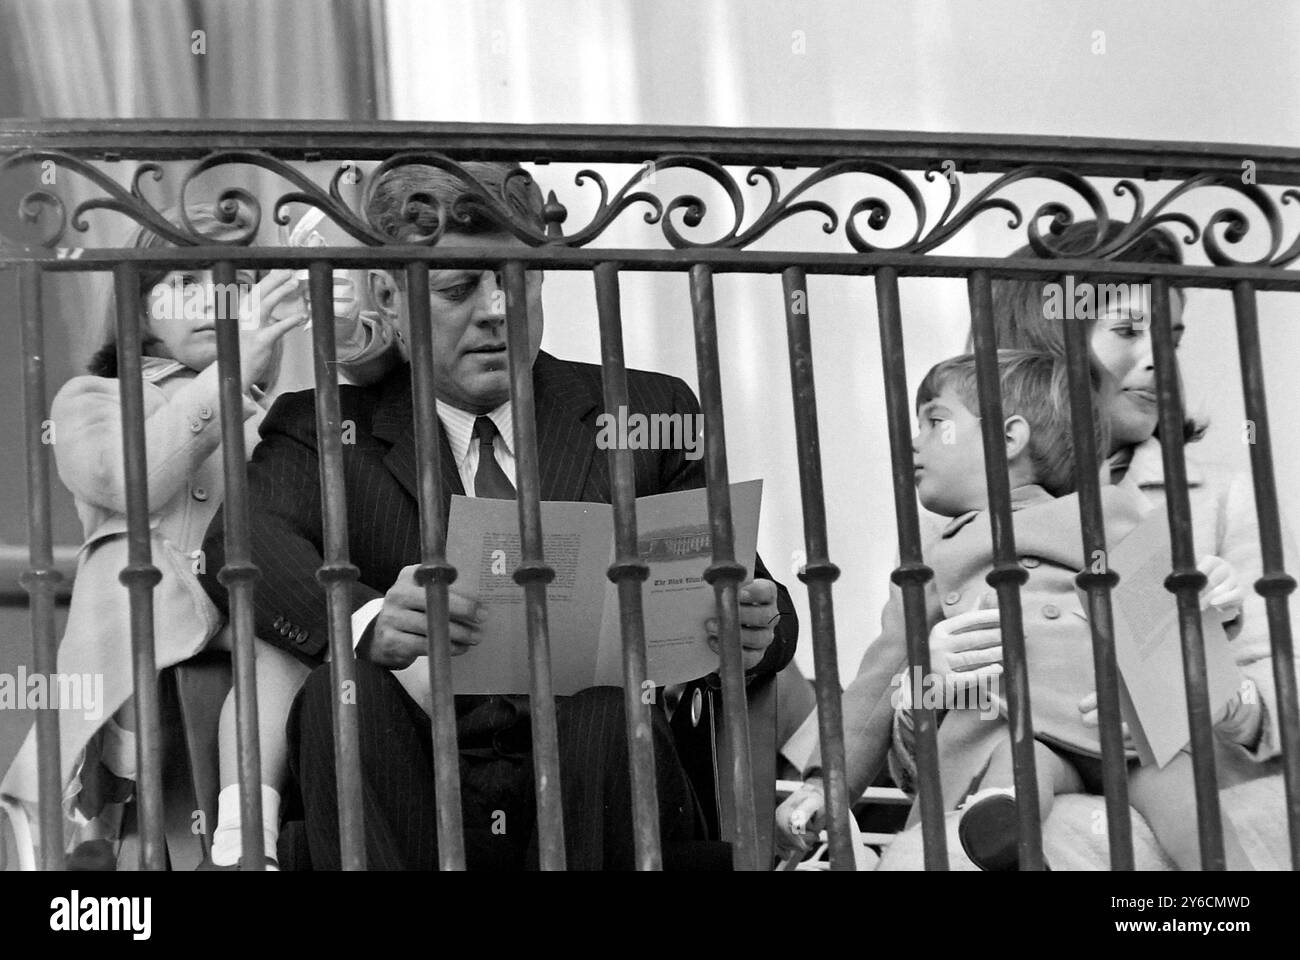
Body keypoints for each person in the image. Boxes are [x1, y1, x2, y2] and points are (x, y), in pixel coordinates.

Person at [198, 161, 798, 870]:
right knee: (348, 697)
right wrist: (368, 625)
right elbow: (237, 544)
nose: (498, 310)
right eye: (459, 289)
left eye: (518, 281)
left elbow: (755, 597)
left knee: (606, 714)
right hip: (415, 797)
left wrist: (757, 629)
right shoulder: (325, 428)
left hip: (599, 791)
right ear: (389, 298)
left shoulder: (648, 411)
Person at [777, 222, 1297, 869]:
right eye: (1130, 331)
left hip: (1178, 791)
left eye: (1173, 334)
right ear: (1050, 338)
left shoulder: (1214, 500)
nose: (1162, 356)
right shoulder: (954, 533)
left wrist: (1209, 694)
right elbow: (911, 766)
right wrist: (929, 688)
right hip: (1017, 792)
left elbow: (1282, 703)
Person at [0, 204, 309, 870]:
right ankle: (88, 838)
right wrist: (226, 380)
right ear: (139, 312)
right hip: (139, 635)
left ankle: (244, 832)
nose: (212, 301)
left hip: (238, 624)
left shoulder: (267, 419)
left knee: (290, 640)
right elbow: (129, 479)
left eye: (231, 288)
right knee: (136, 829)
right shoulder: (89, 398)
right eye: (185, 283)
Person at [880, 351, 1254, 870]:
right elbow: (874, 689)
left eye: (934, 421)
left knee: (1184, 793)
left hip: (1122, 738)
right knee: (1015, 771)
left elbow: (1166, 628)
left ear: (1010, 439)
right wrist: (825, 779)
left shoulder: (1111, 516)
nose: (913, 440)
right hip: (1013, 728)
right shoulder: (931, 554)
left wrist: (1208, 604)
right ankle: (1004, 832)